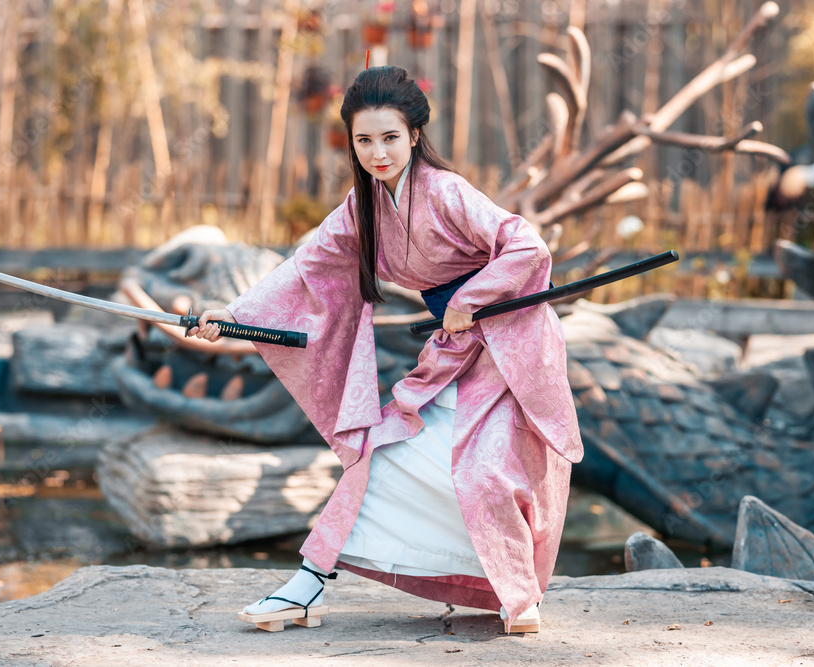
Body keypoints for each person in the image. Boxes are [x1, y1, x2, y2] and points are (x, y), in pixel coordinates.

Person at [187, 65, 582, 632]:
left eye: (390, 137)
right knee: (387, 451)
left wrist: (473, 296)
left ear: (415, 135)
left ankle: (520, 598)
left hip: (510, 342)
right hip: (456, 347)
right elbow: (310, 265)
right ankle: (308, 584)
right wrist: (238, 317)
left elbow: (527, 246)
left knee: (486, 469)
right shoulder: (363, 206)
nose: (378, 152)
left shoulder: (446, 192)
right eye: (364, 140)